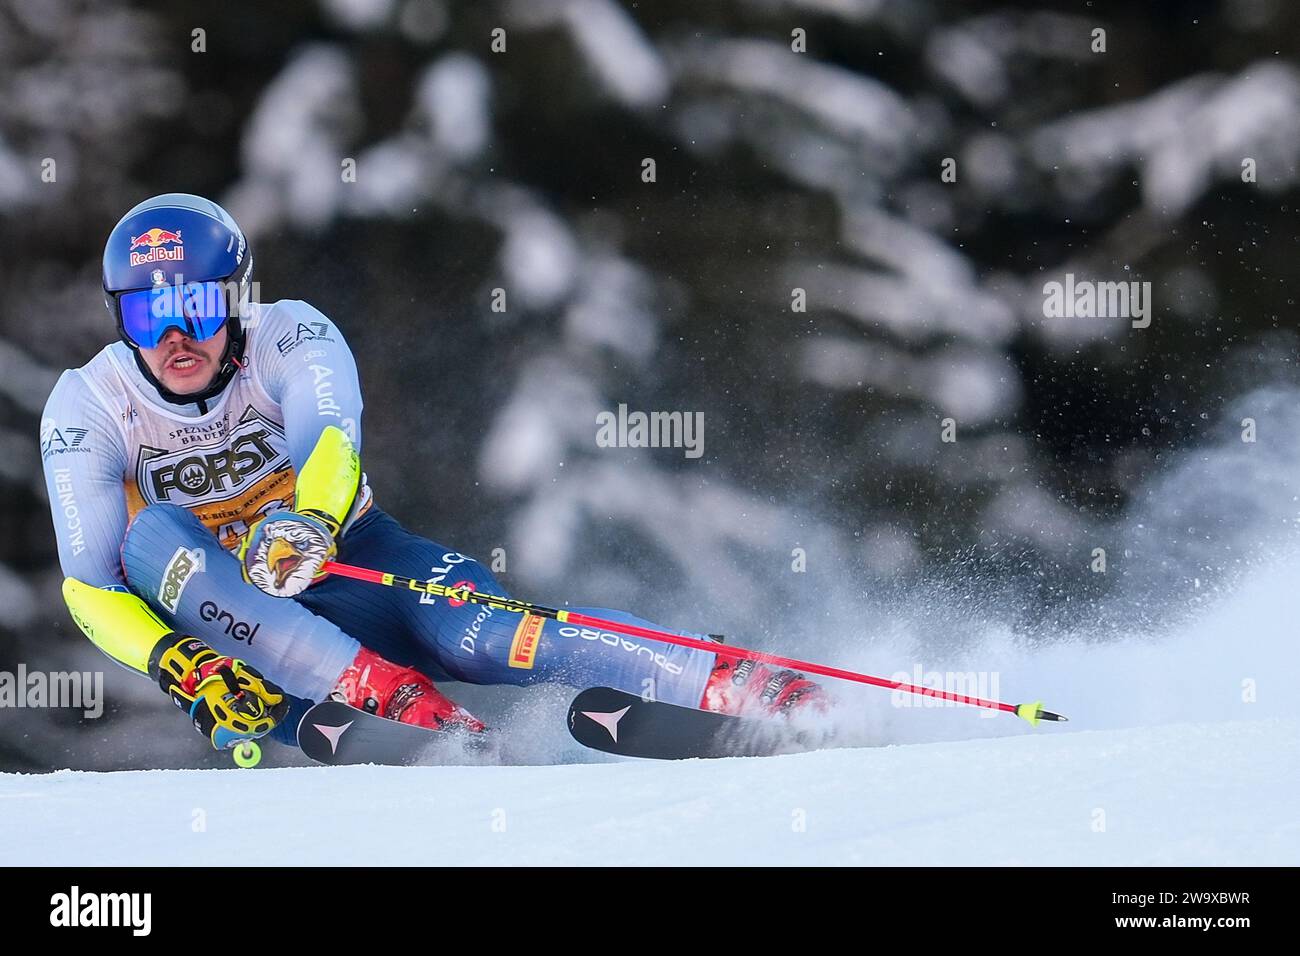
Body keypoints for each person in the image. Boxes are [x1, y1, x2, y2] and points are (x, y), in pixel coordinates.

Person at [41, 193, 824, 756]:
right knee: (149, 541)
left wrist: (309, 524)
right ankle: (399, 709)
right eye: (148, 317)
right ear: (122, 319)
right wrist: (176, 663)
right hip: (241, 623)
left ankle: (733, 681)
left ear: (237, 302)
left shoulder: (292, 333)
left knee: (489, 635)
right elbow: (88, 585)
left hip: (358, 556)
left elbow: (330, 443)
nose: (176, 340)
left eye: (198, 312)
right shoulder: (87, 405)